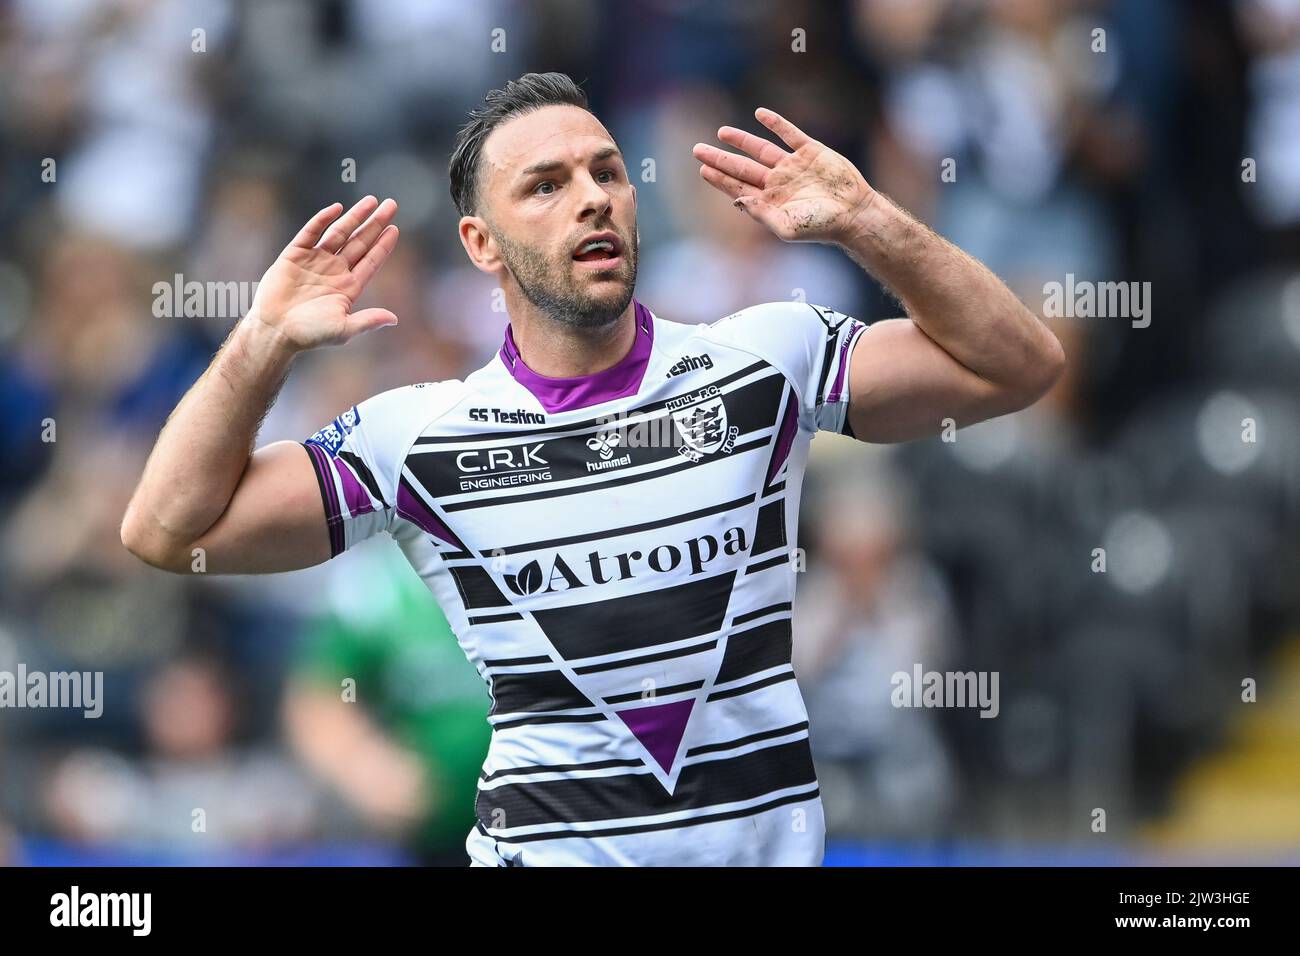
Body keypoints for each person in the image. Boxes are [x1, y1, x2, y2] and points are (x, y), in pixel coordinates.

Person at [120, 72, 1064, 866]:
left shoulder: (764, 361)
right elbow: (167, 530)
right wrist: (264, 341)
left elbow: (1020, 365)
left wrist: (865, 221)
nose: (592, 197)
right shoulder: (416, 441)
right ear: (481, 245)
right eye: (545, 184)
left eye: (607, 171)